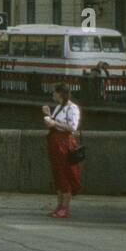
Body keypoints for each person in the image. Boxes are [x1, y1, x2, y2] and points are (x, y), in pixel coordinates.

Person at [42, 83, 82, 218]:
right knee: (57, 173)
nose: (52, 94)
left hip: (64, 143)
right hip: (55, 141)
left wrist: (54, 123)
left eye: (54, 92)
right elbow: (55, 124)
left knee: (65, 173)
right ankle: (59, 206)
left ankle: (65, 207)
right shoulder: (59, 107)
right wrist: (49, 116)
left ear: (60, 93)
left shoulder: (72, 108)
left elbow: (72, 127)